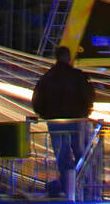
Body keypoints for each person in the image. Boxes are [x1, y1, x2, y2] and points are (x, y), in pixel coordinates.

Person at [31, 46, 95, 187]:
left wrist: (45, 115)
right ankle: (83, 184)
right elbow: (88, 95)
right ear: (68, 57)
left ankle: (67, 185)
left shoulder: (47, 78)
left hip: (55, 122)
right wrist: (85, 113)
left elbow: (37, 100)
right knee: (79, 152)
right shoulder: (78, 76)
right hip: (76, 120)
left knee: (61, 154)